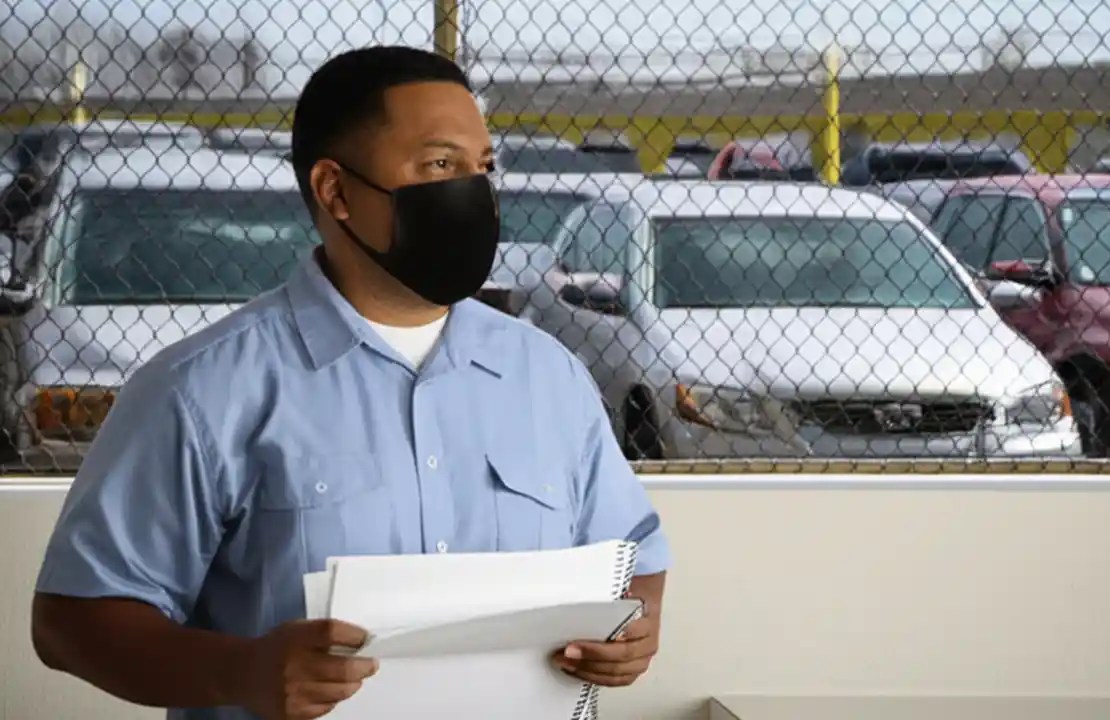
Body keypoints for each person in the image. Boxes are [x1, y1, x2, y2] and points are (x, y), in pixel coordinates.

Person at [30, 46, 670, 720]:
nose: (475, 192)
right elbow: (72, 622)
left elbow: (634, 559)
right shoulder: (201, 391)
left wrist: (634, 630)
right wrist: (237, 671)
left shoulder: (551, 378)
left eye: (484, 166)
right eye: (440, 165)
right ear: (336, 191)